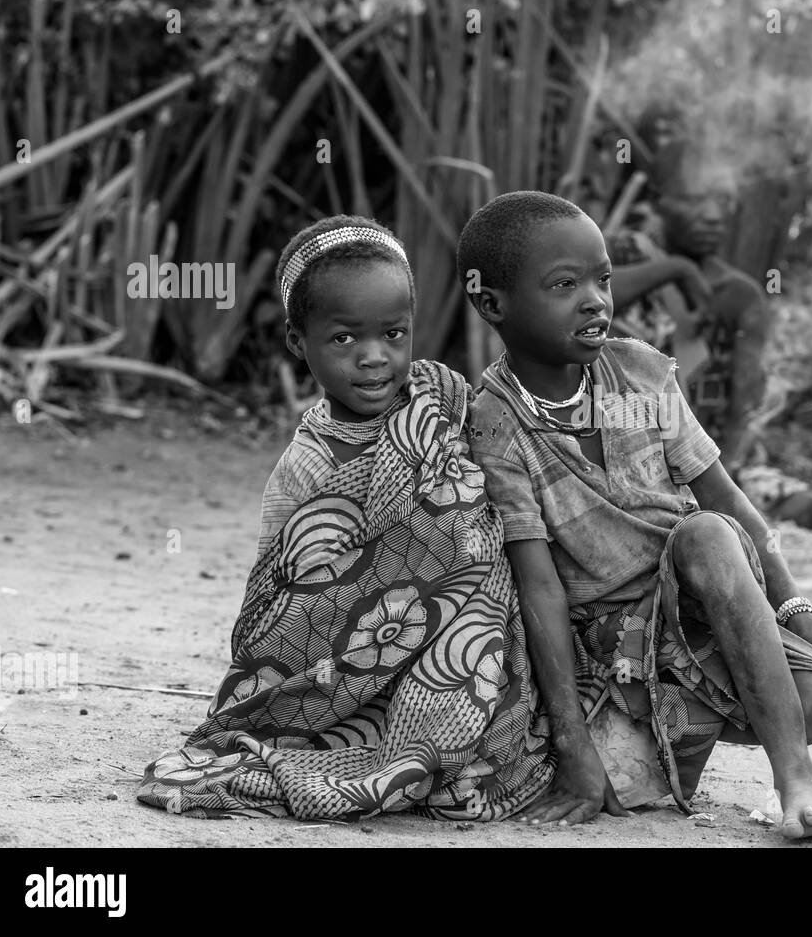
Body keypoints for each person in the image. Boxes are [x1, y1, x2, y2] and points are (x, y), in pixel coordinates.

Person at [459, 191, 812, 840]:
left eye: (603, 279)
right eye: (565, 285)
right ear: (492, 304)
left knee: (807, 688)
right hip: (613, 641)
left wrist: (795, 608)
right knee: (612, 785)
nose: (595, 299)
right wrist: (572, 745)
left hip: (704, 594)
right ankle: (668, 733)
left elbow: (729, 501)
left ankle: (795, 771)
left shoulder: (642, 373)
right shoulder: (496, 421)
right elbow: (540, 584)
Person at [136, 215, 554, 819]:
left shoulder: (444, 406)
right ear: (296, 341)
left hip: (459, 650)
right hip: (340, 674)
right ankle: (388, 741)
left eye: (393, 334)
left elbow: (491, 525)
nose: (374, 358)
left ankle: (443, 727)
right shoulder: (306, 466)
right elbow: (285, 595)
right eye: (343, 340)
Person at [605, 109, 812, 529]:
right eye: (694, 199)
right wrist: (674, 269)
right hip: (617, 459)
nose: (712, 214)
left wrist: (716, 479)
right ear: (659, 202)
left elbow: (746, 404)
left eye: (723, 200)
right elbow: (578, 298)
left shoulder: (740, 296)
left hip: (707, 467)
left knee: (804, 507)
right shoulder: (611, 257)